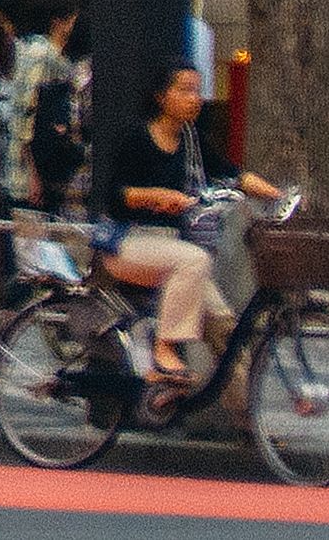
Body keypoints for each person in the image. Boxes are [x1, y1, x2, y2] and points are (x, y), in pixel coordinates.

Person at [101, 58, 274, 393]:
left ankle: (247, 417)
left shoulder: (192, 141)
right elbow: (114, 197)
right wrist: (156, 196)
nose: (194, 98)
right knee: (196, 259)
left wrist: (277, 195)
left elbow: (233, 174)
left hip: (173, 250)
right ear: (160, 96)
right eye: (185, 90)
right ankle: (163, 349)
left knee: (226, 329)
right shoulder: (137, 137)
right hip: (129, 243)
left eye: (197, 90)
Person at [18, 0, 88, 212]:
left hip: (36, 167)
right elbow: (26, 111)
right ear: (59, 22)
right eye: (73, 20)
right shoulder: (44, 55)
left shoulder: (26, 48)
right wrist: (32, 173)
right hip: (34, 171)